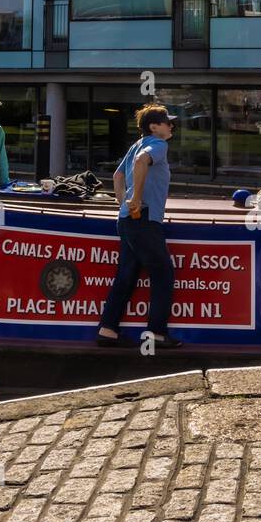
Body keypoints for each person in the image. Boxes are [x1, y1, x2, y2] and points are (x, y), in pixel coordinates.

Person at [97, 104, 182, 349]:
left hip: (126, 220)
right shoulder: (157, 145)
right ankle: (156, 332)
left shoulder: (136, 144)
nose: (171, 126)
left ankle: (108, 329)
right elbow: (142, 162)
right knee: (163, 273)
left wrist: (124, 202)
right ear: (154, 127)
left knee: (127, 275)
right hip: (144, 220)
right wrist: (135, 201)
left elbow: (117, 176)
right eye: (168, 122)